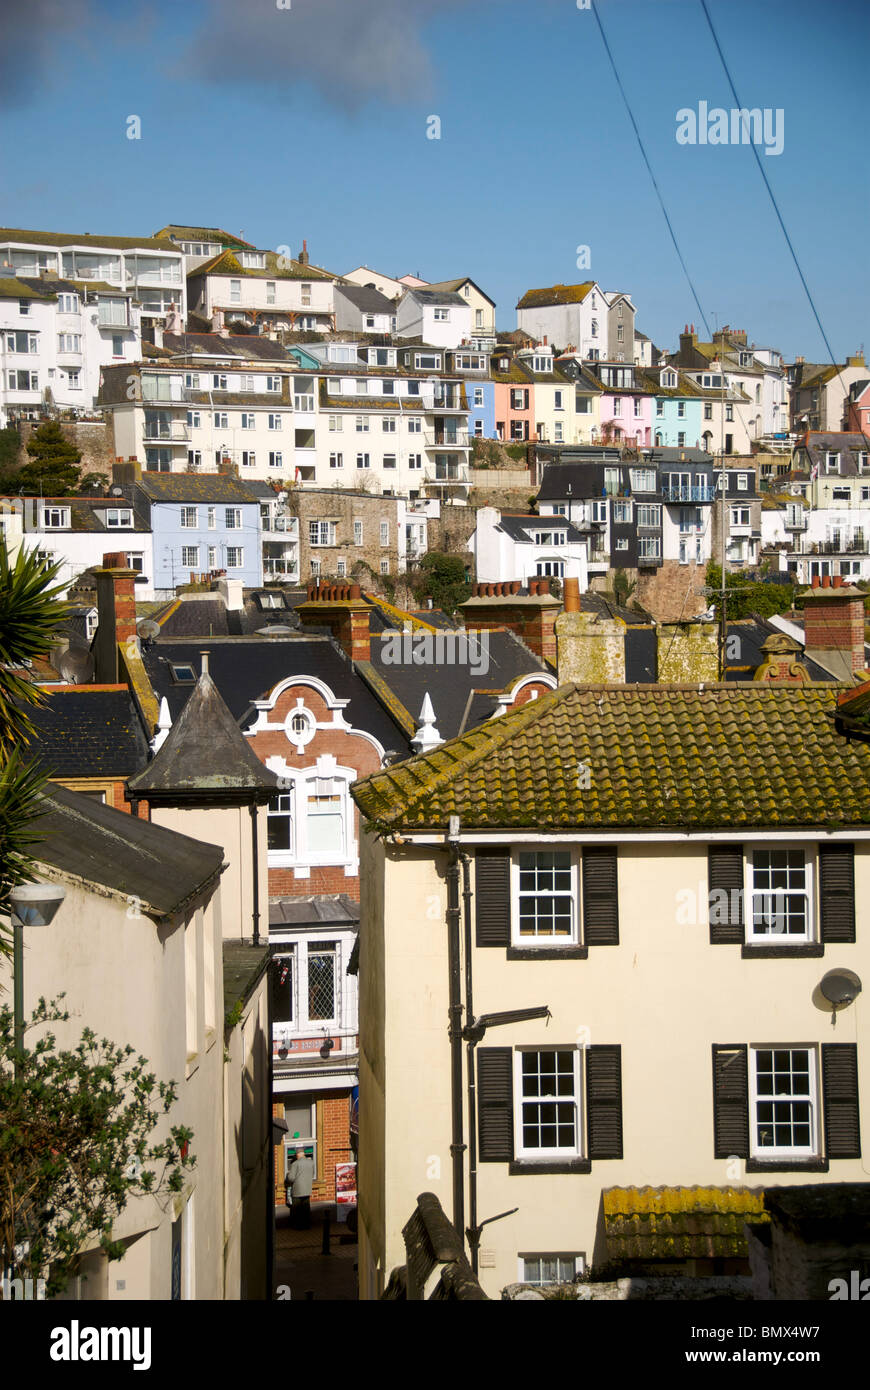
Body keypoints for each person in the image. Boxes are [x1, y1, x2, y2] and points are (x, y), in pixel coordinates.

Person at [286, 1147, 315, 1229]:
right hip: (307, 1189)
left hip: (297, 1190)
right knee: (306, 1209)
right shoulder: (311, 1162)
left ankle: (297, 1226)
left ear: (298, 1154)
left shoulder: (295, 1164)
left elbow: (291, 1178)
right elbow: (312, 1175)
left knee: (296, 1209)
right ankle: (307, 1225)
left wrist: (287, 1175)